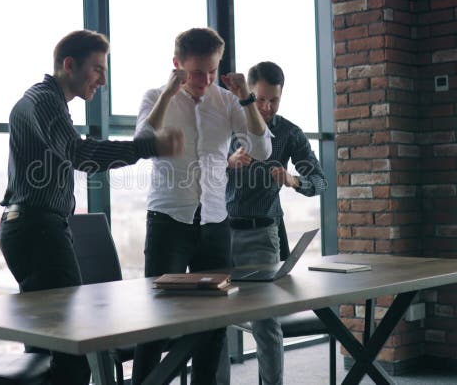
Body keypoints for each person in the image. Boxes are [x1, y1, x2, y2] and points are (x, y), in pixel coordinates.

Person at [0, 29, 184, 385]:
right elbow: (80, 154)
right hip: (37, 230)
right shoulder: (44, 101)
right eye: (98, 69)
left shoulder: (46, 102)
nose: (103, 80)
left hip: (36, 227)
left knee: (49, 345)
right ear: (70, 65)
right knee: (71, 352)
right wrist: (148, 147)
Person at [132, 27, 272, 385]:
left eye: (212, 71)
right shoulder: (155, 97)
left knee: (213, 323)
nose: (206, 80)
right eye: (197, 73)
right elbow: (142, 142)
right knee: (156, 320)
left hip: (214, 224)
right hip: (168, 222)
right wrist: (168, 93)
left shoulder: (227, 101)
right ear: (177, 64)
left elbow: (261, 150)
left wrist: (246, 98)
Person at [224, 61, 327, 385]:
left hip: (263, 234)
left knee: (266, 322)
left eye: (274, 100)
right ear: (248, 94)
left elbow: (320, 181)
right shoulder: (228, 125)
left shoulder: (288, 132)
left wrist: (294, 180)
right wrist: (228, 162)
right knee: (211, 322)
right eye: (261, 99)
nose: (267, 107)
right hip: (219, 233)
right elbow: (200, 168)